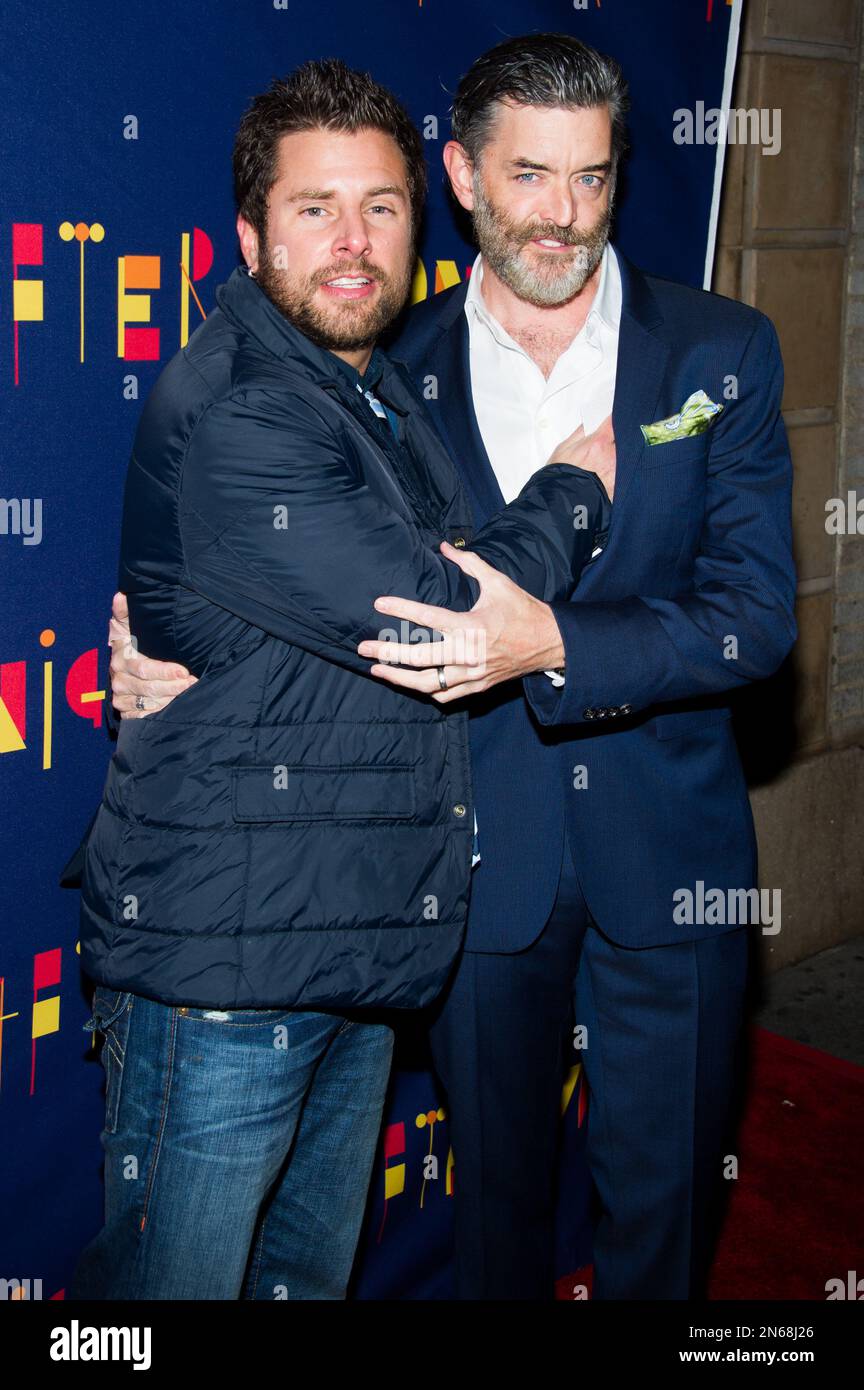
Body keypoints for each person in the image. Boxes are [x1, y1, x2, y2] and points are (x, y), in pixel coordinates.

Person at [107, 34, 797, 1300]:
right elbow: (316, 567)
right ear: (467, 179)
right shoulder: (384, 361)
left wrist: (559, 647)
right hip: (466, 873)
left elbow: (755, 619)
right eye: (529, 175)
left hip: (670, 865)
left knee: (667, 1223)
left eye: (592, 178)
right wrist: (161, 637)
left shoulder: (719, 352)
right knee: (491, 1229)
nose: (563, 213)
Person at [68, 57, 613, 1302]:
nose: (355, 241)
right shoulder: (248, 406)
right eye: (316, 209)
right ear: (249, 235)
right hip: (226, 970)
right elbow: (438, 616)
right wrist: (579, 490)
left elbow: (412, 584)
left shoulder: (364, 390)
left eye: (381, 204)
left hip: (346, 948)